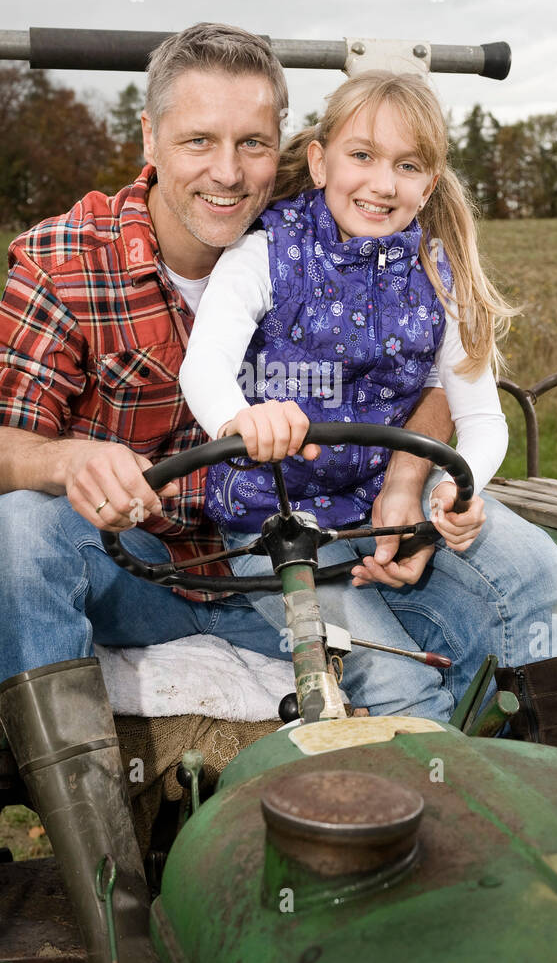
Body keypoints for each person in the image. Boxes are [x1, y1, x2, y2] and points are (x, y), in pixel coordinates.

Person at [0, 23, 557, 963]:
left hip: (305, 550)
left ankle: (538, 866)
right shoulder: (69, 255)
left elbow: (438, 374)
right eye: (200, 141)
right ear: (152, 139)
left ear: (290, 148)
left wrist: (406, 478)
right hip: (156, 563)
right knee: (15, 531)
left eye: (252, 142)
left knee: (509, 578)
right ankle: (119, 959)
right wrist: (69, 458)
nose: (227, 170)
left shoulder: (332, 219)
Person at [179, 69, 511, 725]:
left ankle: (493, 781)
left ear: (430, 183)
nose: (384, 184)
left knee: (518, 609)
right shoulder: (267, 251)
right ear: (319, 160)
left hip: (382, 510)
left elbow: (481, 416)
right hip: (278, 520)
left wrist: (460, 491)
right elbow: (205, 365)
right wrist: (242, 419)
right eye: (362, 156)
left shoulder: (437, 272)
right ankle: (417, 801)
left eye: (408, 165)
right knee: (393, 677)